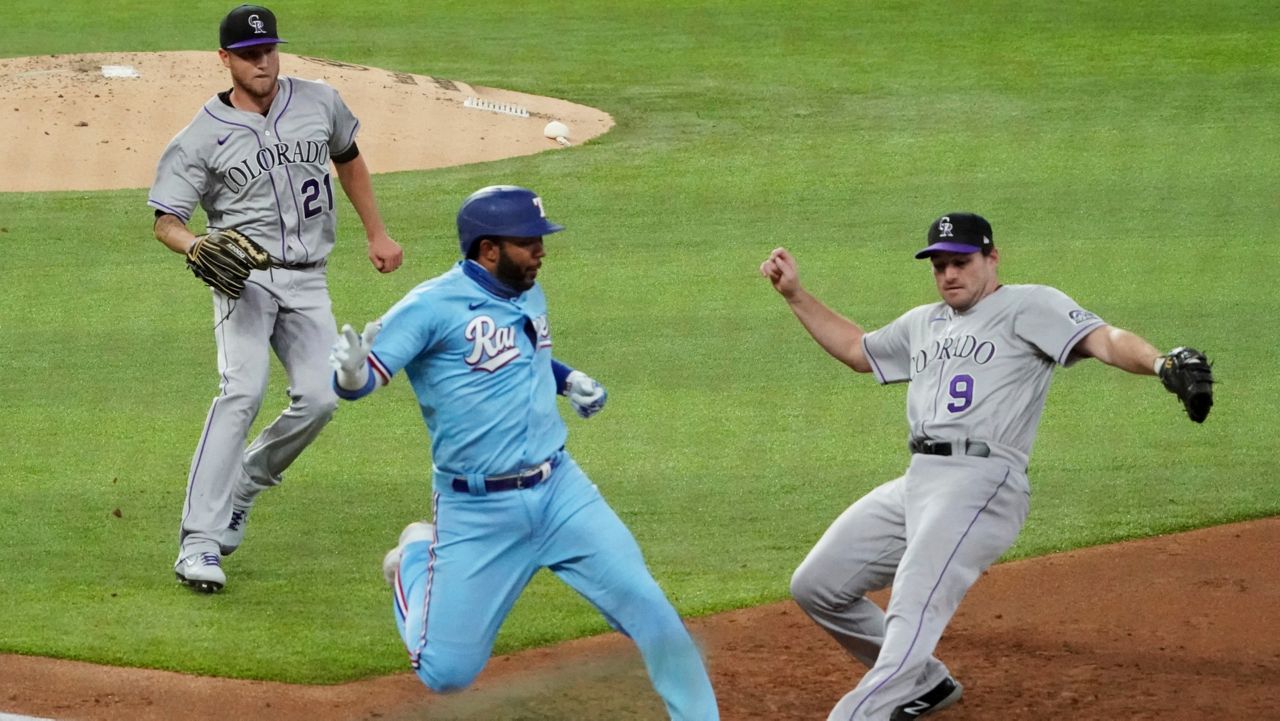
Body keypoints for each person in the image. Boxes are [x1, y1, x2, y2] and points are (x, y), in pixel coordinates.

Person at [759, 213, 1212, 721]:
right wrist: (796, 295)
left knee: (914, 605)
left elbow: (1104, 340)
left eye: (961, 262)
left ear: (992, 258)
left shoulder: (1029, 305)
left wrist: (1159, 364)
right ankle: (925, 682)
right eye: (940, 265)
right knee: (818, 583)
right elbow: (856, 350)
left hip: (982, 482)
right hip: (919, 480)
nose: (949, 274)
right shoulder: (923, 322)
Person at [328, 185, 719, 720]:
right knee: (446, 673)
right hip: (478, 511)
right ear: (489, 249)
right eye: (528, 242)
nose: (541, 251)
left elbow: (525, 353)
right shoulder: (429, 307)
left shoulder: (528, 290)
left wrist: (567, 378)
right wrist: (349, 375)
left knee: (649, 608)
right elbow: (363, 378)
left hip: (561, 492)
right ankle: (416, 561)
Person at [147, 4, 403, 593]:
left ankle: (248, 483)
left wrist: (377, 232)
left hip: (310, 278)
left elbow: (350, 160)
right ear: (225, 59)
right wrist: (194, 247)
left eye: (268, 51)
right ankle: (200, 544)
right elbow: (166, 219)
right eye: (248, 54)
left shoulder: (319, 101)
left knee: (321, 399)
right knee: (241, 391)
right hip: (246, 280)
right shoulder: (200, 137)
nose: (262, 62)